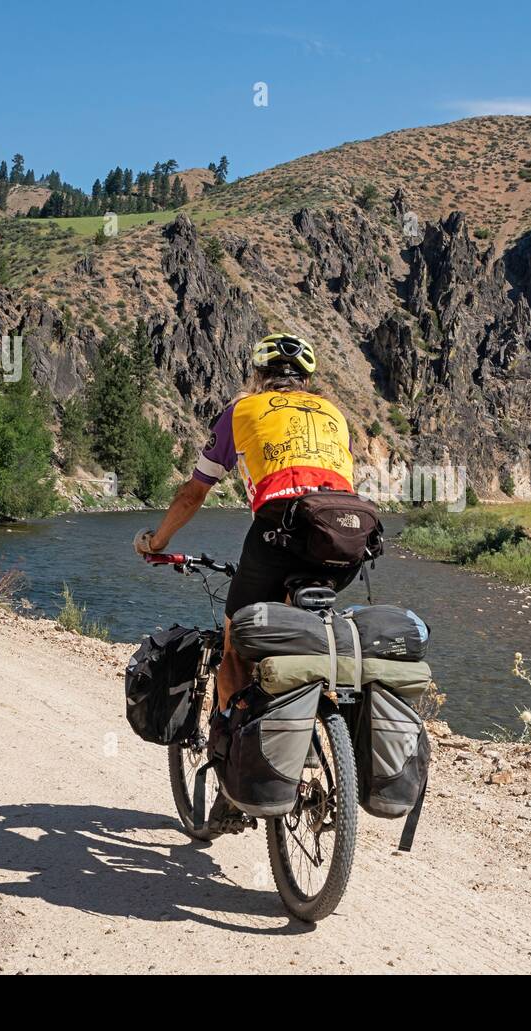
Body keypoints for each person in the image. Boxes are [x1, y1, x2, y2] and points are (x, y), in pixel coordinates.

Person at [133, 332, 361, 836]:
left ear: (259, 376)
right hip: (348, 542)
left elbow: (194, 493)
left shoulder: (242, 410)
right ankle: (305, 724)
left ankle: (237, 772)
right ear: (307, 378)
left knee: (237, 647)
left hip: (278, 535)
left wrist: (157, 540)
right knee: (299, 636)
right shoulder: (334, 415)